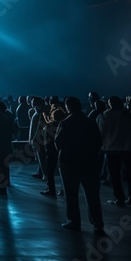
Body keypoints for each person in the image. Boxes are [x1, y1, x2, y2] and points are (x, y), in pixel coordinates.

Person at [55, 96, 105, 232]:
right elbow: (99, 141)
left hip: (69, 163)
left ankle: (74, 221)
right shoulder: (90, 122)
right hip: (89, 162)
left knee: (71, 194)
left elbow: (58, 142)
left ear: (68, 107)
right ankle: (98, 223)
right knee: (92, 194)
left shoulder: (65, 123)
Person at [97, 96, 131, 206]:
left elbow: (101, 133)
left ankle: (120, 198)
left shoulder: (105, 115)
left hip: (112, 149)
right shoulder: (128, 114)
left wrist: (100, 146)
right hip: (129, 148)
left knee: (115, 177)